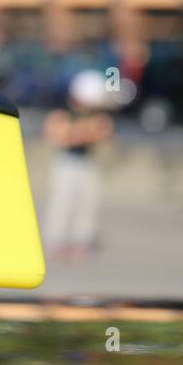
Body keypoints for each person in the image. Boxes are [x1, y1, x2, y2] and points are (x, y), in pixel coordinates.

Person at [41, 69, 115, 262]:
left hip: (88, 162)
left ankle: (81, 240)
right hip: (66, 162)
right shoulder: (63, 112)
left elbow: (103, 133)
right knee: (62, 201)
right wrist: (80, 132)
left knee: (88, 202)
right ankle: (56, 240)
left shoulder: (98, 116)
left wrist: (82, 132)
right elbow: (58, 135)